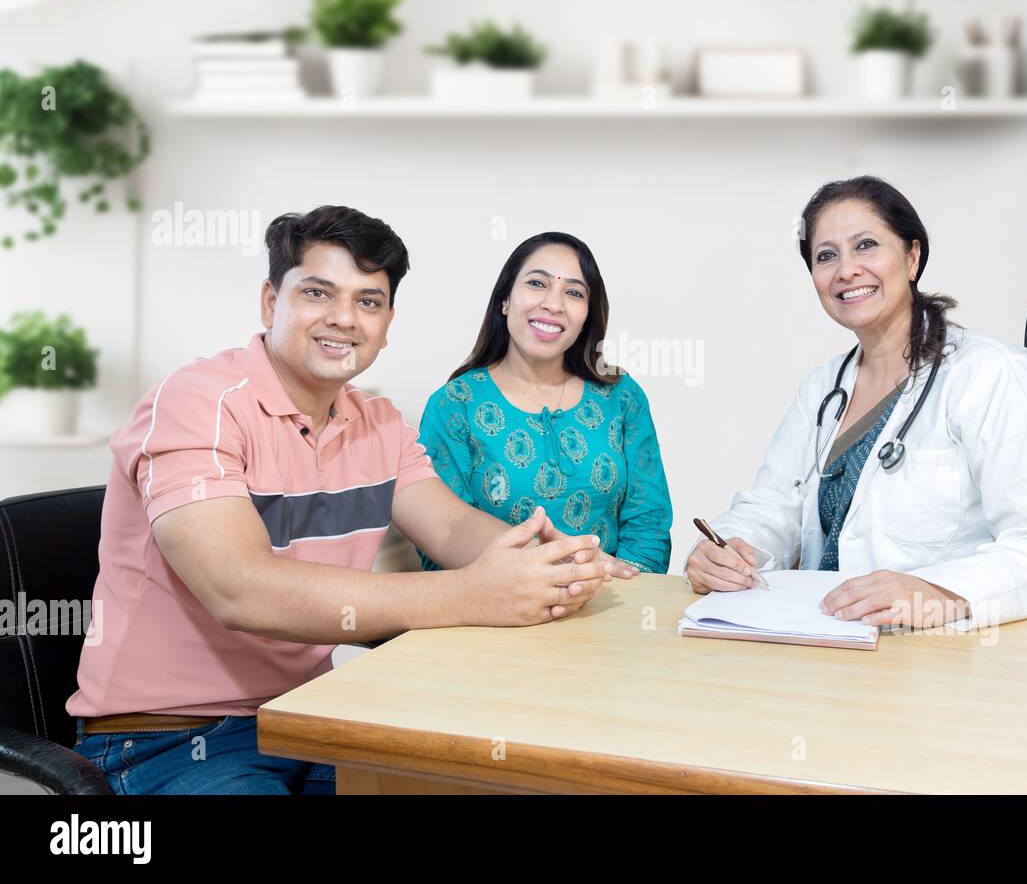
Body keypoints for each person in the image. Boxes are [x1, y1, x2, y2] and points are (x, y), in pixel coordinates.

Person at [67, 206, 624, 795]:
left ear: (387, 323)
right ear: (269, 302)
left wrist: (550, 561)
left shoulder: (377, 421)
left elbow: (452, 525)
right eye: (317, 292)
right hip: (167, 738)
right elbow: (238, 589)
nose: (344, 318)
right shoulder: (196, 401)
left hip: (312, 719)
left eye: (368, 301)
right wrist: (472, 593)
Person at [684, 176, 1027, 629]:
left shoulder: (992, 374)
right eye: (827, 256)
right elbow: (774, 504)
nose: (846, 270)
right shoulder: (822, 388)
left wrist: (940, 590)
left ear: (912, 257)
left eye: (866, 245)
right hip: (828, 636)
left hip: (943, 655)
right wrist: (731, 547)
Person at [418, 232, 672, 574]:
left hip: (611, 600)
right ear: (504, 300)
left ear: (587, 316)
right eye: (537, 284)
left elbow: (649, 524)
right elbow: (439, 542)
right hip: (499, 612)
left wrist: (620, 586)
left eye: (573, 292)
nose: (554, 304)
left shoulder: (621, 396)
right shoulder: (454, 405)